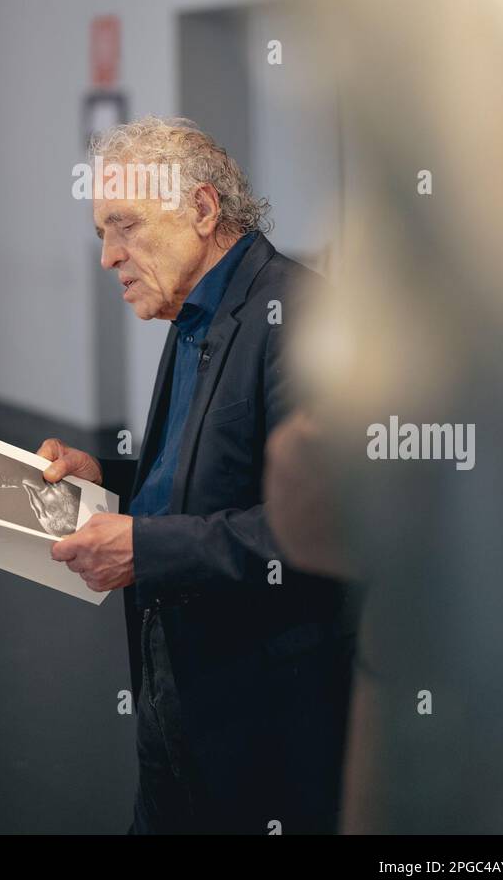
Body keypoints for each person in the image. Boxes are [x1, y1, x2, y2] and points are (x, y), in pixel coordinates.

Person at [36, 115, 355, 835]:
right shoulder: (194, 315)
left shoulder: (298, 315)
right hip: (175, 689)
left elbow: (325, 527)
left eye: (125, 226)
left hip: (261, 720)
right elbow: (206, 474)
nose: (108, 256)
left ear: (204, 211)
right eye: (100, 235)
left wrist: (145, 549)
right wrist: (109, 479)